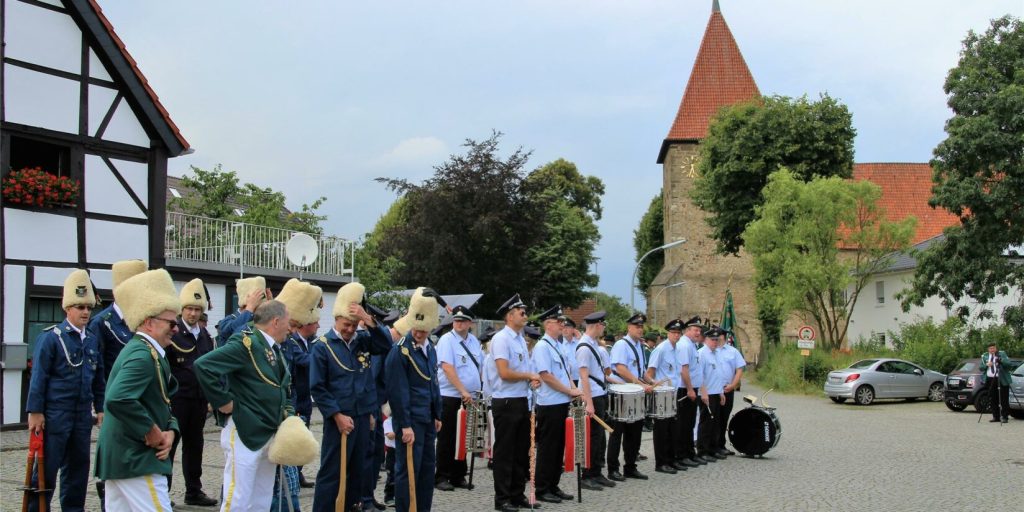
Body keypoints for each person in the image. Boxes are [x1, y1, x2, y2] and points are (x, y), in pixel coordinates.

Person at [193, 300, 298, 511]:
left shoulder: (271, 347)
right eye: (288, 322)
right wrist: (223, 402)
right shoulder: (246, 343)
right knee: (238, 497)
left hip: (267, 430)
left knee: (262, 496)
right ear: (276, 322)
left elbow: (280, 386)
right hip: (244, 429)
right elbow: (203, 366)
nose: (290, 328)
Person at [94, 269, 183, 511]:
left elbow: (162, 401)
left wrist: (171, 430)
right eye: (171, 323)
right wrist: (152, 432)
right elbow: (118, 399)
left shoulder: (150, 352)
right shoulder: (143, 354)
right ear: (148, 322)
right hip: (136, 457)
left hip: (125, 457)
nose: (176, 328)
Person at [309, 283, 394, 512]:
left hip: (362, 417)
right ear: (336, 319)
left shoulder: (362, 340)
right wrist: (336, 415)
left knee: (359, 472)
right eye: (347, 324)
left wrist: (367, 318)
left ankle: (351, 507)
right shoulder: (322, 347)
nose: (350, 329)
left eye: (354, 325)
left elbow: (387, 344)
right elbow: (317, 387)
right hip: (338, 419)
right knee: (332, 472)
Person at [25, 269, 104, 512]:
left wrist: (100, 408)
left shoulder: (91, 338)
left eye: (88, 308)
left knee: (78, 471)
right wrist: (35, 411)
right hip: (55, 414)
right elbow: (39, 375)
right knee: (45, 472)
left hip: (81, 415)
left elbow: (98, 378)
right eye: (79, 307)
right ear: (67, 308)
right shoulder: (52, 338)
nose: (85, 312)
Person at [386, 289, 444, 512]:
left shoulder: (430, 350)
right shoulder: (401, 351)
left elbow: (433, 384)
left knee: (427, 470)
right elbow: (398, 393)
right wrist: (405, 425)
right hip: (411, 422)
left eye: (424, 329)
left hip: (427, 420)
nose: (419, 333)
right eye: (416, 328)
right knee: (408, 471)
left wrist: (437, 413)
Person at [166, 278, 218, 506]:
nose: (193, 314)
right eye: (189, 309)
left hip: (198, 400)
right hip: (178, 399)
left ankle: (193, 491)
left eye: (197, 309)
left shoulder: (205, 336)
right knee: (169, 447)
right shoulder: (174, 333)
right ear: (182, 309)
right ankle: (162, 492)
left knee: (195, 447)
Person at [489, 293, 542, 512]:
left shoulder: (520, 339)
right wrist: (528, 376)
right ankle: (502, 499)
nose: (526, 316)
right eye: (522, 313)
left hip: (522, 400)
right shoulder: (501, 339)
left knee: (522, 451)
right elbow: (504, 372)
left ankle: (517, 494)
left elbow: (522, 370)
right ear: (510, 316)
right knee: (505, 453)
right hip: (506, 401)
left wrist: (531, 381)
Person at [276, 278, 324, 488]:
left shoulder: (308, 342)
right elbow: (304, 361)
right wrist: (321, 352)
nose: (319, 325)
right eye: (315, 322)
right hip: (293, 397)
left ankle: (298, 473)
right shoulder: (293, 342)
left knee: (303, 436)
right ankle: (289, 476)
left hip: (305, 397)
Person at [532, 306, 581, 503]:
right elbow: (546, 376)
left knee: (559, 447)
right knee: (548, 448)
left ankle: (553, 484)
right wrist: (569, 390)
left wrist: (573, 390)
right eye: (559, 322)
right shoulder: (542, 347)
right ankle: (543, 488)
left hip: (562, 402)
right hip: (550, 404)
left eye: (563, 322)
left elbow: (566, 373)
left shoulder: (558, 345)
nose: (563, 325)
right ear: (548, 324)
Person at [435, 305, 485, 491]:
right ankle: (442, 476)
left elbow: (479, 366)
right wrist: (463, 390)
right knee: (447, 437)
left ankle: (458, 475)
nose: (458, 323)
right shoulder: (447, 340)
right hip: (451, 396)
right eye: (456, 320)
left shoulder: (473, 341)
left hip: (469, 397)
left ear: (470, 323)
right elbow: (448, 368)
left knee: (464, 437)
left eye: (463, 320)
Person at [606, 313, 652, 481]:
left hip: (635, 393)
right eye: (637, 326)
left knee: (635, 432)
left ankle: (630, 467)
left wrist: (652, 382)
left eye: (641, 326)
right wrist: (640, 384)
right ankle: (613, 469)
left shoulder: (639, 346)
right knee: (617, 432)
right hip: (622, 393)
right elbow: (620, 369)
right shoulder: (621, 345)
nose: (640, 329)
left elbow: (640, 371)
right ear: (629, 327)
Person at [575, 311, 617, 490]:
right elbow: (583, 376)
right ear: (596, 325)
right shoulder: (584, 347)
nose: (604, 328)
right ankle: (587, 475)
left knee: (599, 438)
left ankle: (597, 472)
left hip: (600, 393)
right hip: (592, 396)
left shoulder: (593, 344)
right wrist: (589, 403)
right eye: (603, 325)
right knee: (591, 437)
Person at [645, 319, 684, 474]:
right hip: (662, 394)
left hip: (673, 393)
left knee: (673, 429)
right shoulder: (660, 349)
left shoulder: (677, 350)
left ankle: (671, 460)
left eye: (678, 333)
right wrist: (657, 385)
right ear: (668, 333)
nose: (676, 335)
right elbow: (649, 374)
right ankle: (661, 463)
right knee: (661, 430)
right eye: (673, 332)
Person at [673, 316, 704, 467]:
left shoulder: (692, 345)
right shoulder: (684, 345)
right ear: (688, 330)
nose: (698, 333)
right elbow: (683, 370)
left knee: (690, 423)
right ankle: (681, 454)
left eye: (699, 330)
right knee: (683, 424)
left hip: (692, 388)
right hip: (685, 389)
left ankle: (690, 452)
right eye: (695, 330)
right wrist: (690, 389)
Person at [696, 326, 728, 462]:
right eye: (713, 340)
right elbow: (700, 375)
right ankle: (703, 450)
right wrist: (704, 393)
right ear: (706, 339)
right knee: (706, 423)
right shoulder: (702, 354)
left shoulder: (717, 353)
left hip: (716, 392)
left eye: (717, 340)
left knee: (715, 423)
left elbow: (718, 375)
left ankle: (713, 448)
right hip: (706, 393)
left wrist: (721, 392)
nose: (715, 342)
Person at [214, 276, 271, 347]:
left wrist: (271, 306)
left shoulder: (259, 321)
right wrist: (249, 308)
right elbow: (233, 331)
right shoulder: (227, 321)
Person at [716, 329, 746, 455]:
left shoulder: (733, 351)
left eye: (718, 335)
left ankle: (721, 445)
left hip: (727, 389)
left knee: (724, 418)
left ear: (724, 336)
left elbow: (739, 369)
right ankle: (711, 445)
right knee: (713, 418)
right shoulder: (710, 350)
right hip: (713, 390)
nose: (716, 338)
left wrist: (733, 385)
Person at [981, 342, 1014, 423]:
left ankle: (1005, 417)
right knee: (993, 399)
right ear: (988, 349)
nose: (992, 350)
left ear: (996, 348)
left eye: (994, 348)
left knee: (1003, 399)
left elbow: (1009, 365)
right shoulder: (985, 356)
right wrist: (986, 365)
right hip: (990, 379)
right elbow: (981, 368)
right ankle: (996, 416)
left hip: (1001, 378)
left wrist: (1001, 361)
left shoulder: (1002, 354)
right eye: (990, 348)